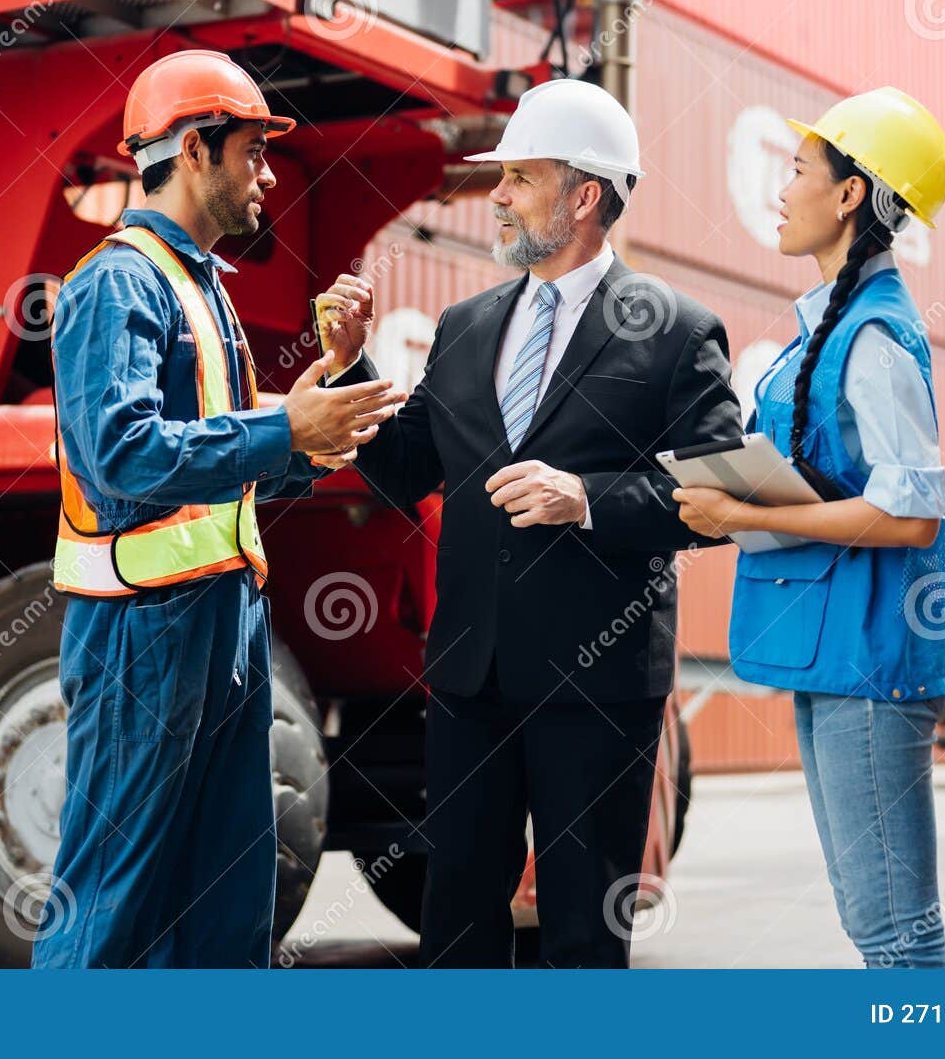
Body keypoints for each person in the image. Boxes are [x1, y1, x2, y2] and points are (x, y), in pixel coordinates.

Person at [315, 79, 743, 967]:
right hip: (471, 681)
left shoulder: (674, 332)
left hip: (599, 689)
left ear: (585, 196)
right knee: (456, 929)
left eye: (519, 176)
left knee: (583, 936)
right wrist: (344, 366)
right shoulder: (465, 327)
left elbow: (718, 497)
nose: (498, 195)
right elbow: (405, 470)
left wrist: (584, 498)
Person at [33, 50, 404, 968]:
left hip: (223, 625)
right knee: (113, 906)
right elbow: (120, 458)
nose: (269, 176)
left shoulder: (200, 287)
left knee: (224, 904)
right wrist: (284, 432)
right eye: (254, 153)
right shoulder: (117, 282)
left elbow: (235, 471)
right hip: (142, 634)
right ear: (196, 149)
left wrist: (323, 407)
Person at [672, 87, 945, 968]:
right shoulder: (829, 329)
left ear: (849, 196)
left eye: (799, 169)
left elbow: (912, 514)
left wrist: (740, 510)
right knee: (872, 919)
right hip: (841, 648)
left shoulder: (875, 337)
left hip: (874, 655)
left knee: (895, 929)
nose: (782, 189)